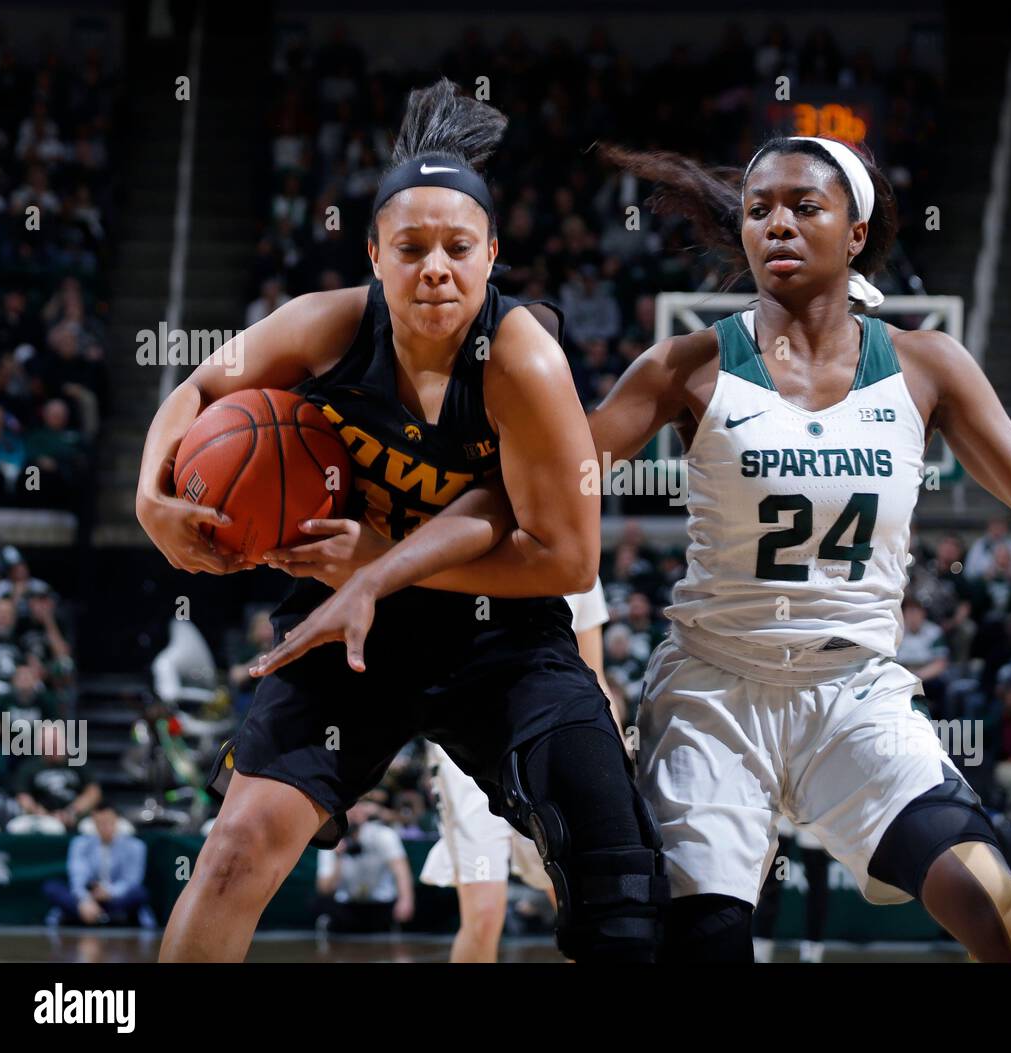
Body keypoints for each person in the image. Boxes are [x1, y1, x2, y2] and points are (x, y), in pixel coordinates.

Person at [582, 133, 1011, 962]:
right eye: (760, 209)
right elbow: (555, 489)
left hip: (855, 694)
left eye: (804, 207)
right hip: (715, 695)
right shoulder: (685, 366)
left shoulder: (925, 367)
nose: (776, 224)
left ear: (854, 233)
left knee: (996, 905)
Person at [136, 80, 665, 963]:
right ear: (374, 251)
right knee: (234, 849)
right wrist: (151, 495)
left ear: (491, 253)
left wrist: (383, 559)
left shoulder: (525, 363)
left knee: (616, 868)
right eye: (411, 246)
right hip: (351, 630)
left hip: (501, 632)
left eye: (458, 247)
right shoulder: (329, 326)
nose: (435, 267)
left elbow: (568, 562)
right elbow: (197, 387)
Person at [418, 578, 615, 961]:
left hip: (552, 738)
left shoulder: (578, 564)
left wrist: (613, 755)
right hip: (467, 745)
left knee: (579, 904)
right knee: (485, 911)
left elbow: (595, 674)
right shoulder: (468, 545)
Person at [42, 803, 154, 928]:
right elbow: (78, 877)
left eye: (108, 822)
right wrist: (85, 900)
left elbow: (132, 880)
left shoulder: (135, 846)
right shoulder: (80, 843)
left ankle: (94, 917)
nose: (105, 827)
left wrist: (109, 892)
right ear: (94, 823)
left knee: (139, 893)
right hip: (88, 898)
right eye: (100, 823)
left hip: (115, 899)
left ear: (117, 821)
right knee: (52, 887)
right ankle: (103, 917)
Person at [314, 799, 414, 934]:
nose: (354, 813)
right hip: (347, 906)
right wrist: (338, 858)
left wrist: (405, 899)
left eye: (358, 807)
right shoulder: (331, 840)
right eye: (349, 808)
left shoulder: (383, 835)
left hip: (380, 905)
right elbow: (324, 889)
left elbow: (401, 870)